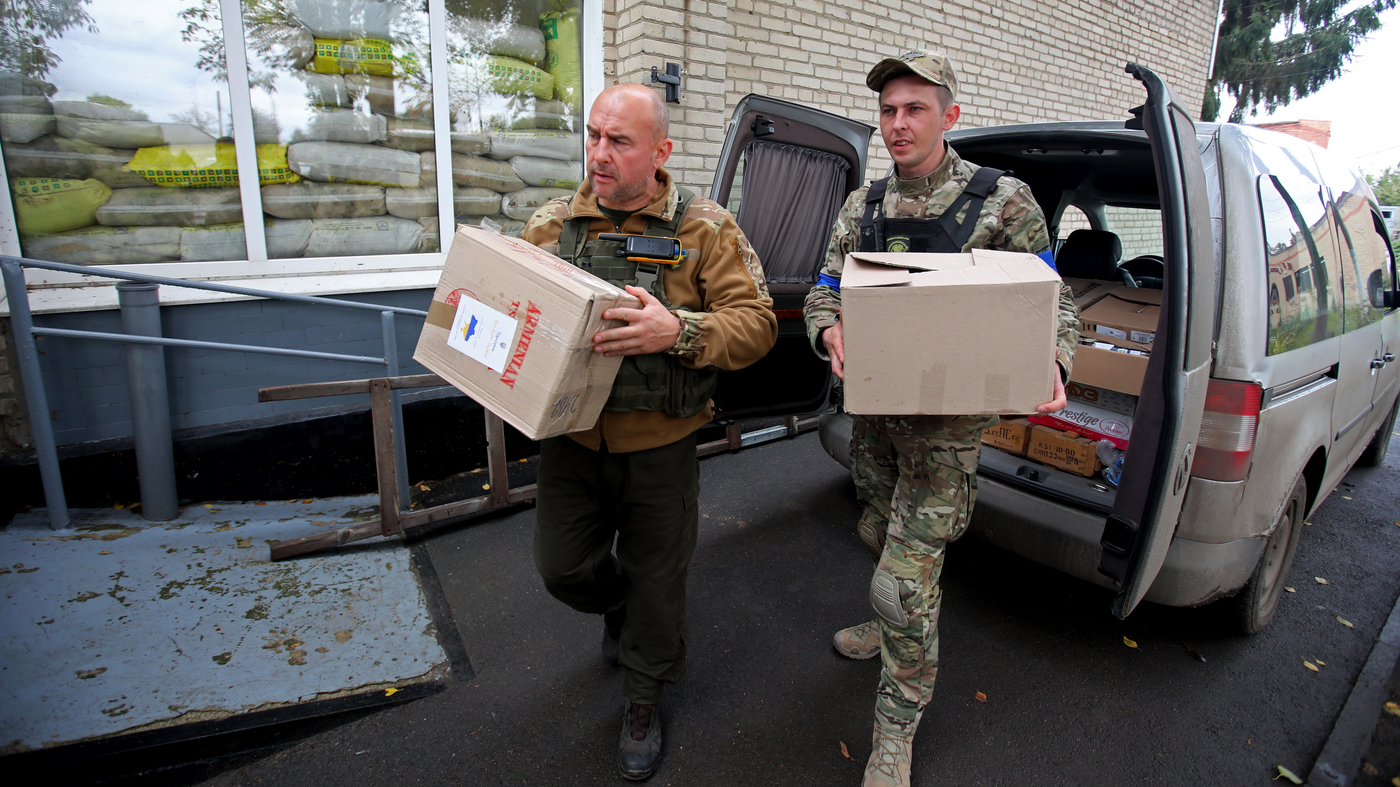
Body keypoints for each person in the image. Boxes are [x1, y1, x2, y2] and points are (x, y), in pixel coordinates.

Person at [802, 50, 1080, 787]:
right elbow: (824, 289)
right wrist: (829, 328)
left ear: (949, 116)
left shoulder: (1002, 202)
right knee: (874, 535)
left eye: (914, 108)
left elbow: (1054, 301)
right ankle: (899, 620)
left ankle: (895, 733)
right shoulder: (862, 206)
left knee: (899, 584)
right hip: (874, 429)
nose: (897, 124)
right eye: (888, 110)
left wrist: (1053, 359)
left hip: (944, 440)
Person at [521, 83, 777, 781]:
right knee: (562, 568)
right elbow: (516, 314)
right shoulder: (549, 224)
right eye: (594, 135)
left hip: (661, 446)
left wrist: (680, 329)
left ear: (660, 152)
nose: (598, 153)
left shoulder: (706, 229)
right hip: (571, 442)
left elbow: (757, 324)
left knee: (658, 583)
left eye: (619, 141)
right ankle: (621, 611)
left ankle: (642, 696)